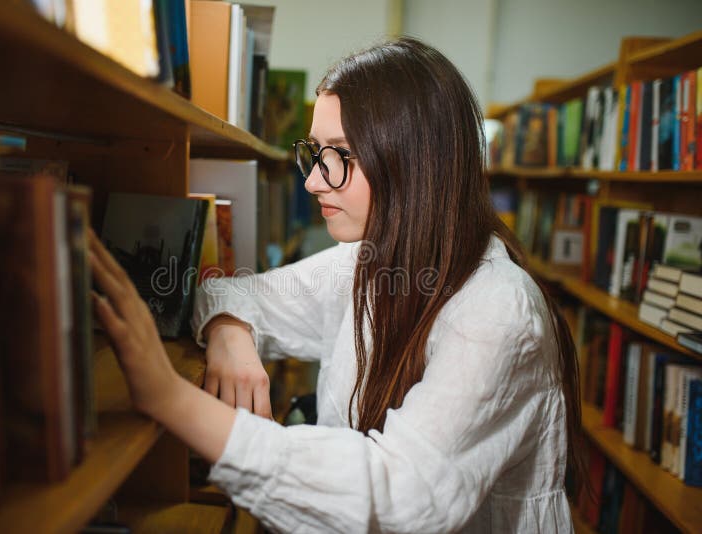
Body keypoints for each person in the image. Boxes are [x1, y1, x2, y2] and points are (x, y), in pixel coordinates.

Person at [89, 37, 581, 533]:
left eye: (340, 155)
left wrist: (170, 398)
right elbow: (232, 292)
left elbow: (402, 497)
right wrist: (231, 333)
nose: (313, 182)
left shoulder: (500, 311)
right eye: (314, 153)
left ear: (414, 163)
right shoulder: (369, 262)